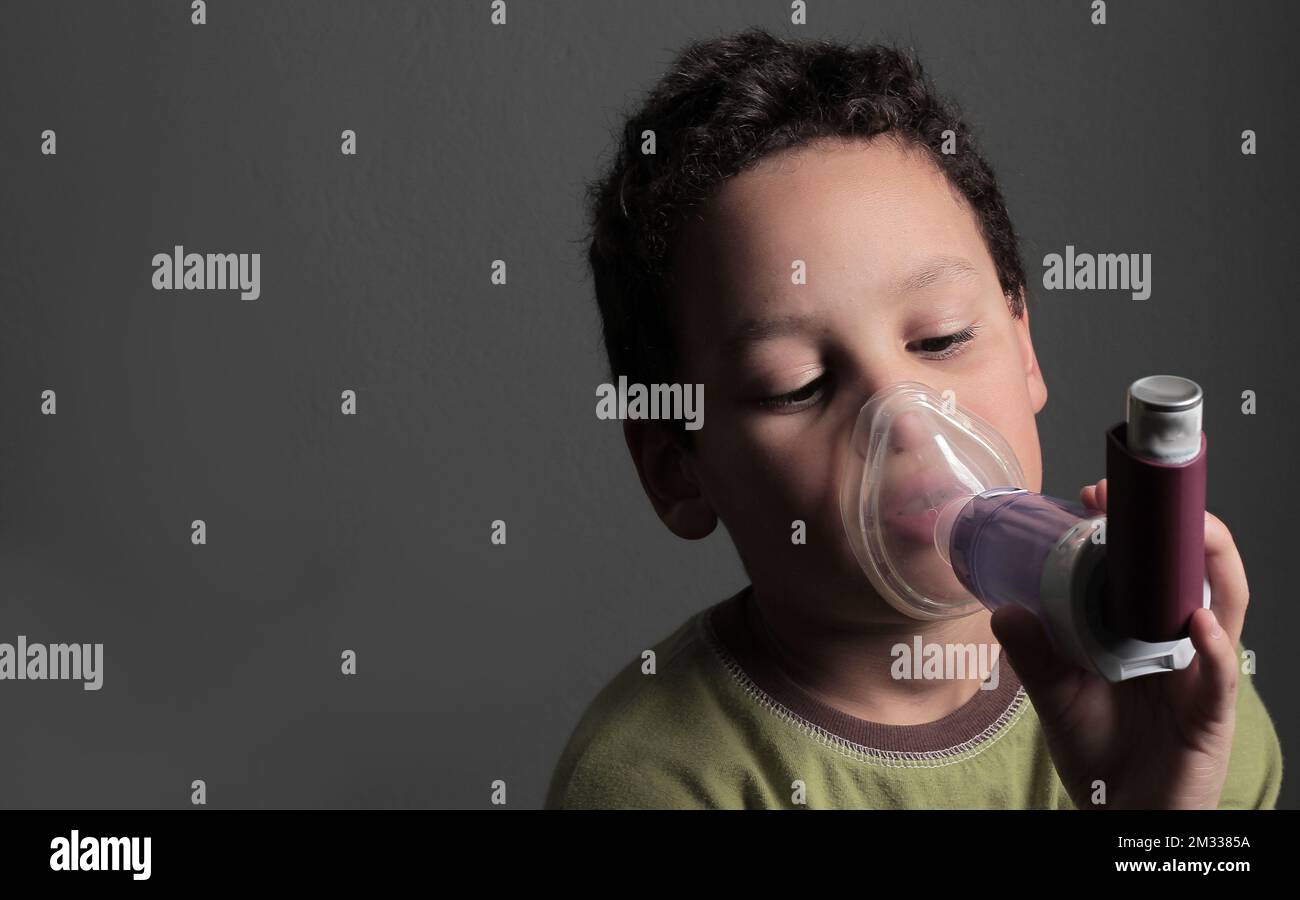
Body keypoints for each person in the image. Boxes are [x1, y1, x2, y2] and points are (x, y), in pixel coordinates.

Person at [546, 27, 1282, 809]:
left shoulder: (1189, 709)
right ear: (674, 467)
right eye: (795, 385)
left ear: (1025, 348)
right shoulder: (656, 781)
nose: (902, 421)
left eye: (942, 338)